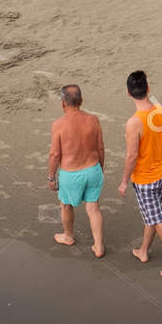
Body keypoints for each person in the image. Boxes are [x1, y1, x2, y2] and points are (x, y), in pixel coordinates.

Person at [117, 70, 162, 277]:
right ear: (148, 89)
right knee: (152, 214)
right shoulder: (159, 110)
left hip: (145, 179)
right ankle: (143, 251)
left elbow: (131, 156)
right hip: (161, 174)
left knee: (156, 218)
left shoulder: (133, 123)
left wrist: (123, 181)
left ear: (128, 93)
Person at [48, 84, 106, 257]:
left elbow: (55, 155)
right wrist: (100, 169)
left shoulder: (58, 124)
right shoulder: (93, 119)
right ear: (81, 100)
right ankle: (98, 246)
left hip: (71, 174)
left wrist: (51, 177)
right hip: (93, 169)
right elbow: (101, 148)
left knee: (65, 206)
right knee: (93, 207)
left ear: (63, 103)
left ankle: (68, 236)